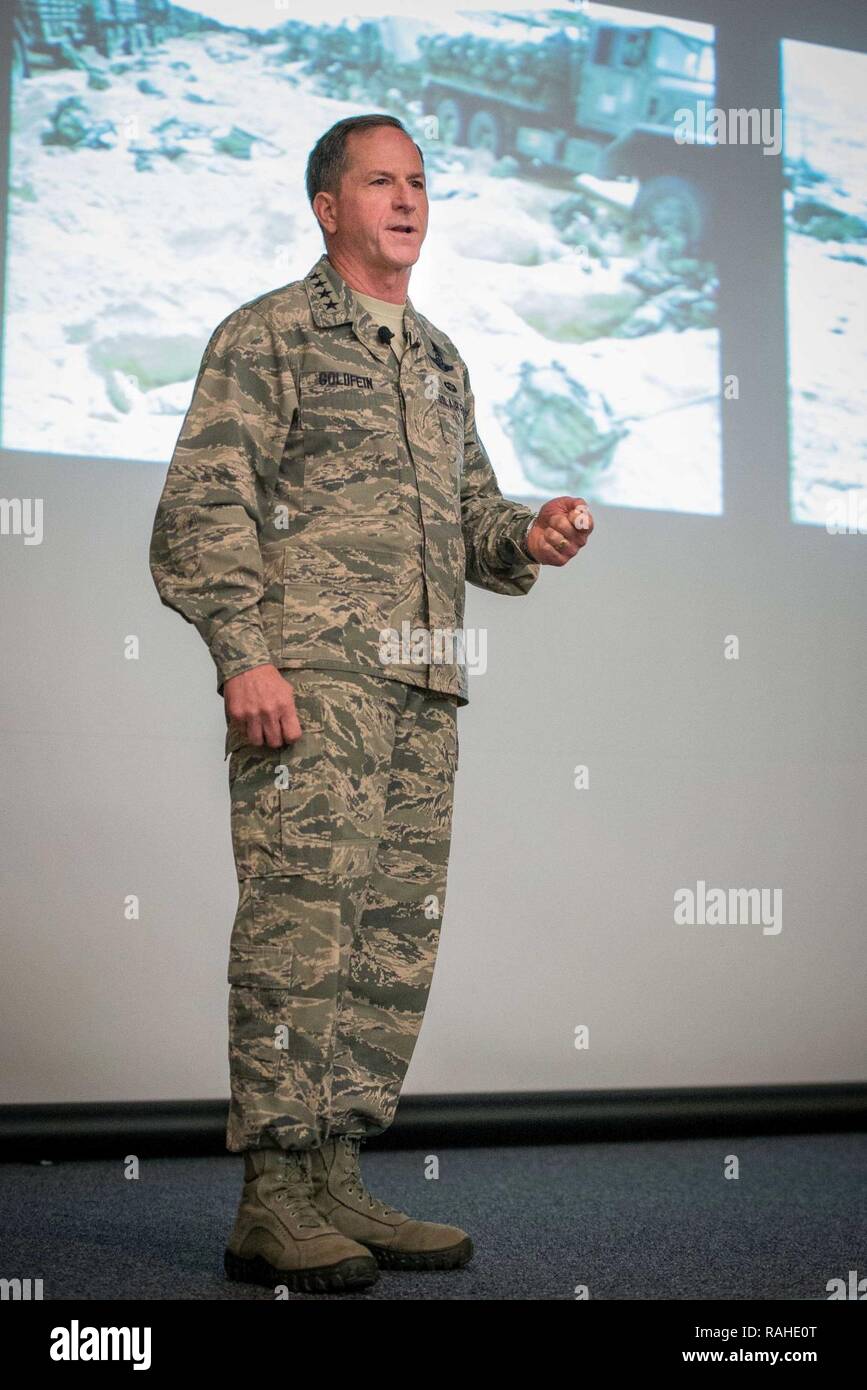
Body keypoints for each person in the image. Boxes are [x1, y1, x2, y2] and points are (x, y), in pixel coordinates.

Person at [149, 113, 594, 1295]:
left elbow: (477, 520)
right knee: (298, 936)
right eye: (378, 182)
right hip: (311, 689)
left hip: (423, 689)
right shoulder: (273, 334)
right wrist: (242, 651)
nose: (404, 200)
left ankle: (339, 1173)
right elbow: (203, 504)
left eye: (419, 182)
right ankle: (273, 1199)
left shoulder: (440, 359)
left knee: (388, 946)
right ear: (326, 205)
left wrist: (530, 535)